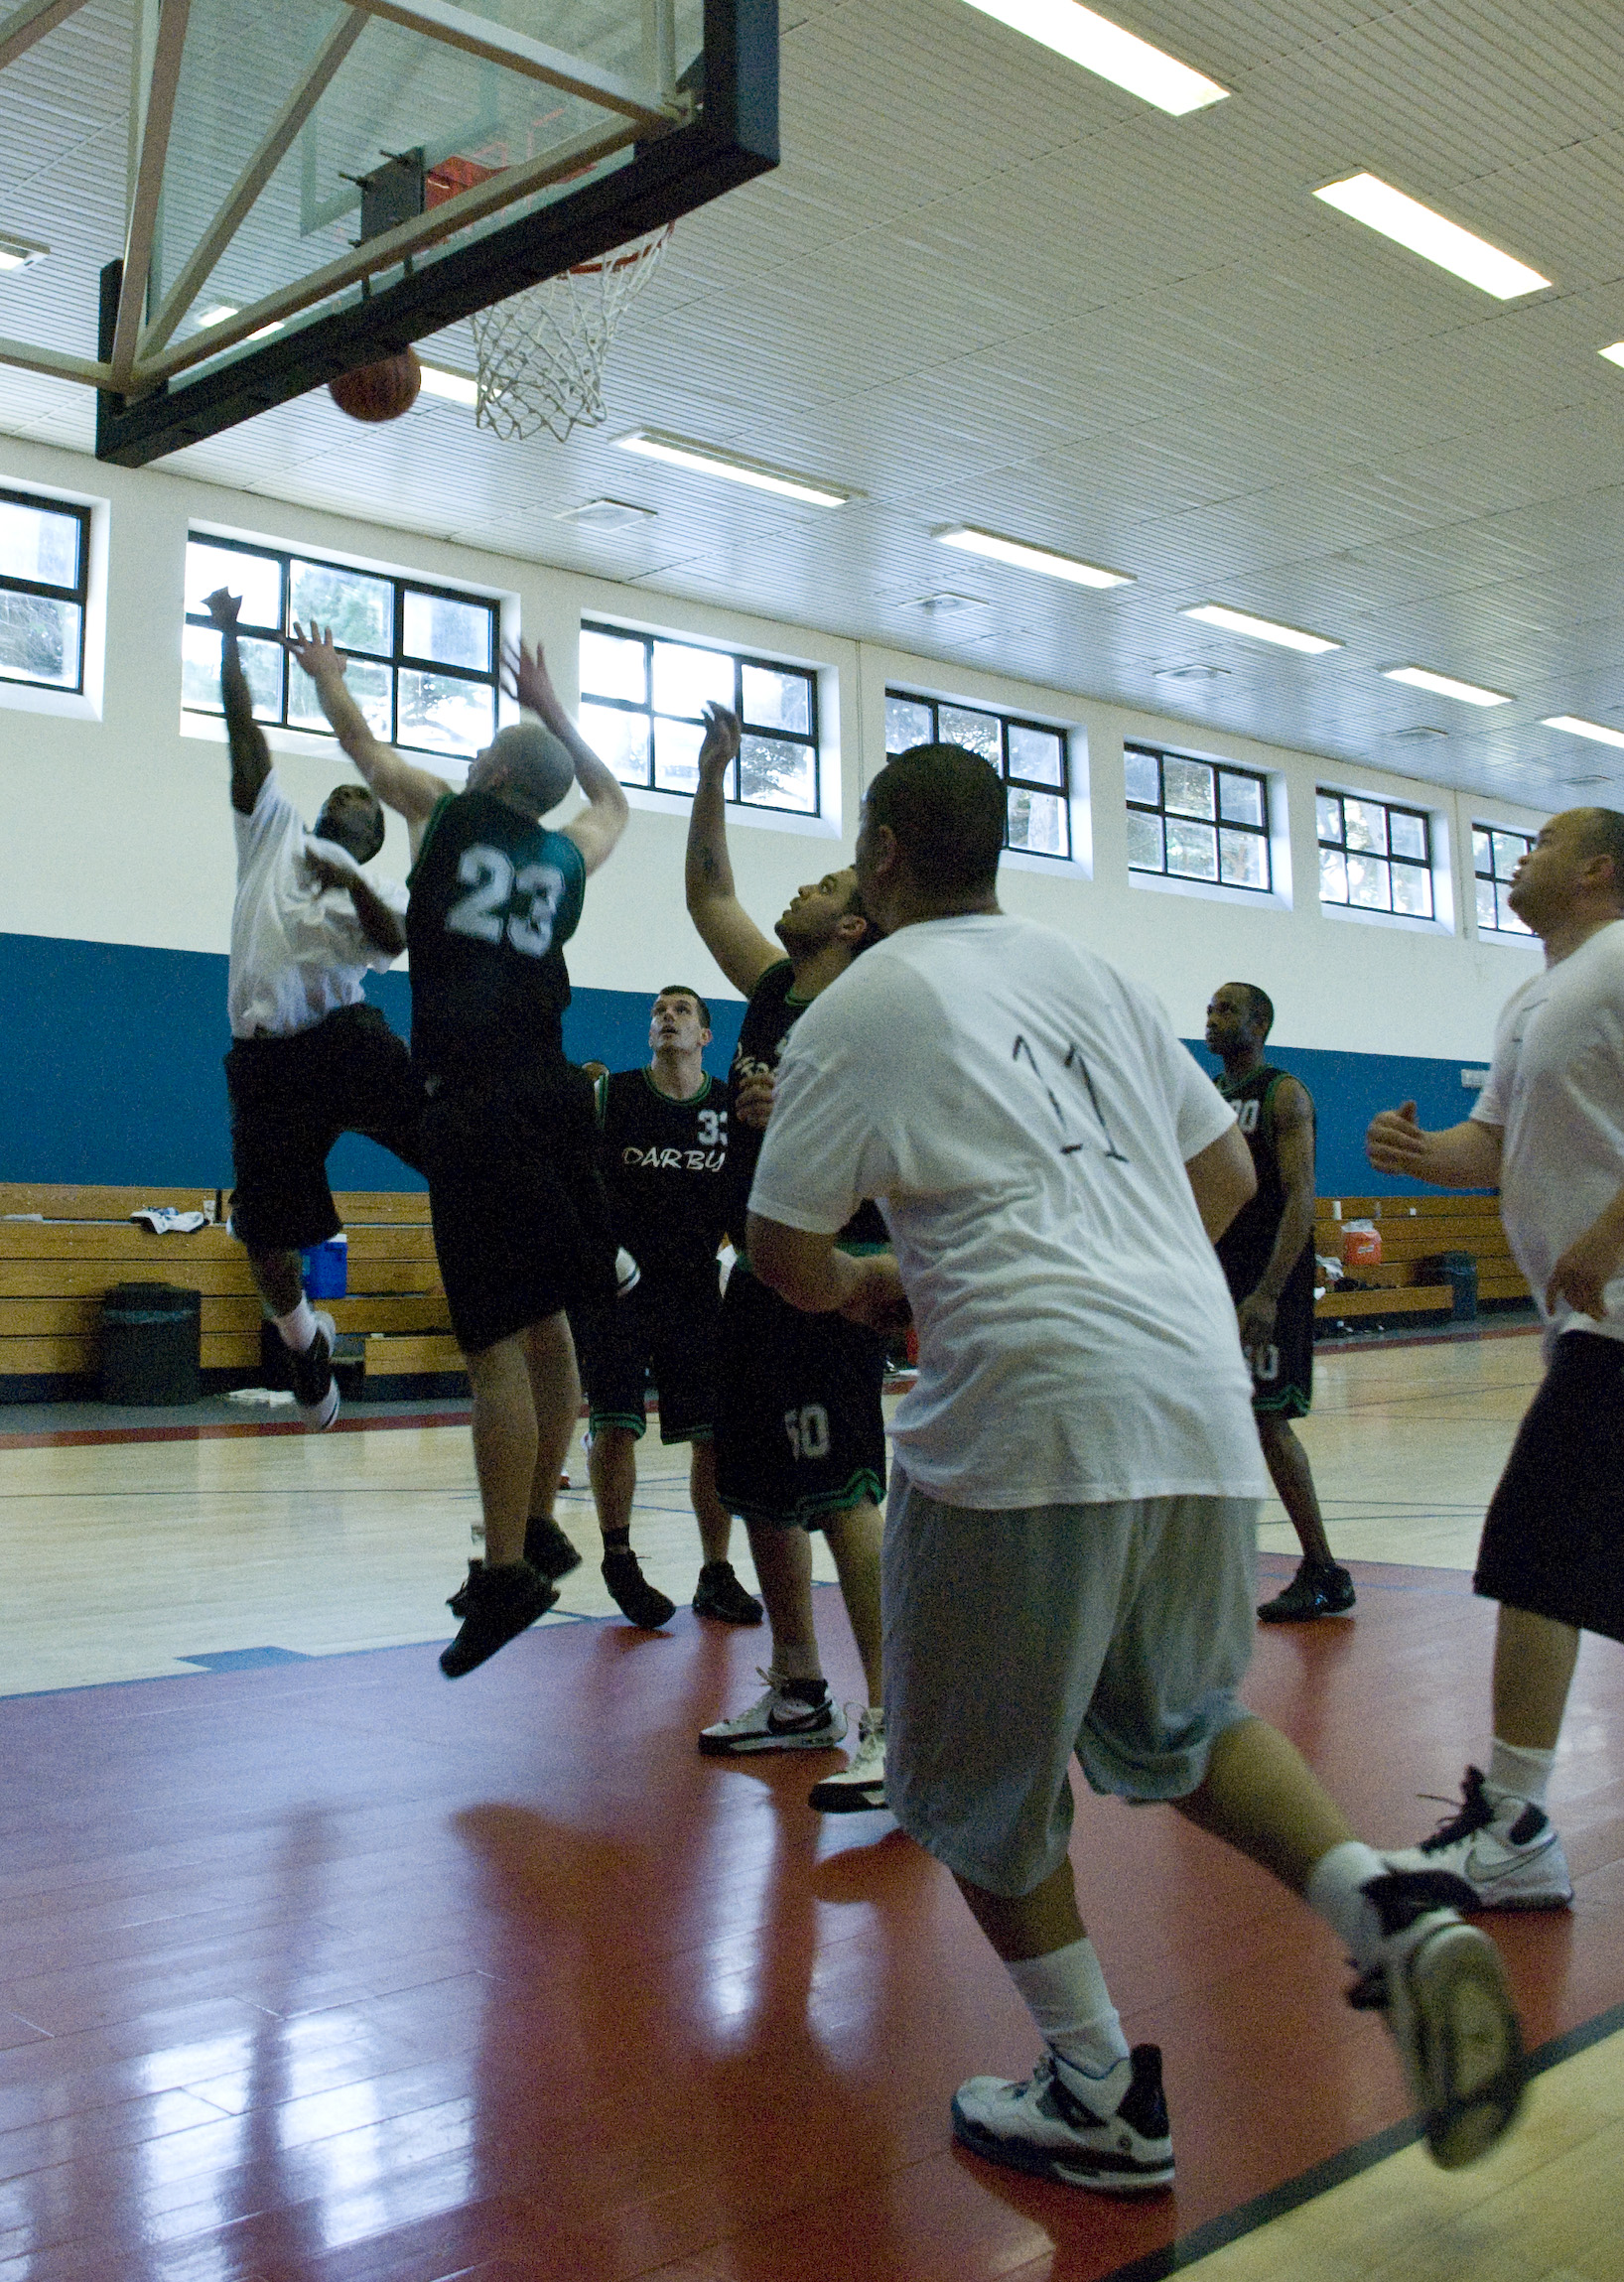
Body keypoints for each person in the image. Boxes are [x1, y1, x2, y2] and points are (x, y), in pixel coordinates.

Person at [744, 740, 1525, 2191]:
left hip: (1031, 1406)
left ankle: (1098, 2082)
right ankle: (1387, 1908)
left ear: (888, 852)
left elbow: (783, 1253)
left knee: (967, 1776)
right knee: (1179, 1715)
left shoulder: (864, 1004)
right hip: (1192, 1397)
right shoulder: (1095, 976)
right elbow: (1225, 1183)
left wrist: (869, 1285)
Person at [286, 623, 628, 1678]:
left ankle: (508, 1569)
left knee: (492, 1346)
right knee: (549, 1323)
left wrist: (332, 677)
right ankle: (540, 1520)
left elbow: (364, 751)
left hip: (474, 1100)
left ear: (485, 771)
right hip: (557, 1093)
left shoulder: (447, 810)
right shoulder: (570, 851)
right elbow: (614, 804)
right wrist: (561, 713)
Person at [1371, 807, 1624, 1910]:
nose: (1517, 856)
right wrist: (1424, 1154)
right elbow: (1497, 1139)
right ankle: (1516, 1820)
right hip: (1585, 1319)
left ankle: (1515, 1824)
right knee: (1551, 1548)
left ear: (1596, 867)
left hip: (1614, 1310)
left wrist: (1608, 1238)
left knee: (1535, 1542)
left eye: (1541, 842)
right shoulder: (1535, 994)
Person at [683, 703, 888, 1812]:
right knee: (761, 1483)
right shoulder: (774, 989)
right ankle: (800, 1688)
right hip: (755, 1272)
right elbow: (710, 892)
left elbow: (892, 1147)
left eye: (822, 885)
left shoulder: (867, 1009)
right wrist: (713, 772)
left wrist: (796, 1112)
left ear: (853, 926)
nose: (796, 890)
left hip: (830, 1274)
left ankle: (893, 1718)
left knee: (844, 1487)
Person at [210, 587, 420, 1431]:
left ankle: (575, 1238)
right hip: (265, 1060)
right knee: (264, 1235)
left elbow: (396, 940)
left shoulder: (374, 884)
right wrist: (230, 644)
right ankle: (304, 1345)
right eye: (345, 794)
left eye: (364, 805)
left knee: (451, 1136)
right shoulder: (275, 832)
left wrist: (352, 885)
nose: (349, 800)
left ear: (369, 838)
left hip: (342, 1043)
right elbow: (245, 737)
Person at [570, 985, 763, 1630]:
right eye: (659, 1011)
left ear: (706, 1035)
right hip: (619, 1288)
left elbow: (743, 1202)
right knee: (617, 1422)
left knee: (712, 1434)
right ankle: (619, 1556)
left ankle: (715, 1571)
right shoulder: (615, 1097)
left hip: (694, 1290)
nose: (668, 1017)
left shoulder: (728, 1112)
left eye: (682, 1010)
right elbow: (577, 1185)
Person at [1204, 982, 1354, 1621]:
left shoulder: (1281, 1093)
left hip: (1269, 1282)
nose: (1211, 1018)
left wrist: (1267, 1292)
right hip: (1217, 1280)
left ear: (1259, 1022)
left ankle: (1323, 1570)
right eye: (1209, 1008)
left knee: (1267, 1421)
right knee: (1210, 1419)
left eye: (1226, 1009)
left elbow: (1301, 1196)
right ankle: (1208, 1568)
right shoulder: (1211, 1097)